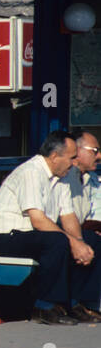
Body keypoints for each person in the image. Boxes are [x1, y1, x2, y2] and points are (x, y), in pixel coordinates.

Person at [0, 130, 99, 326]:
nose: (74, 162)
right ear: (55, 156)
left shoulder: (61, 176)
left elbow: (68, 215)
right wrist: (72, 242)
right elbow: (38, 219)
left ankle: (75, 303)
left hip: (35, 236)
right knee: (59, 241)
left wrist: (81, 243)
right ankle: (45, 305)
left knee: (92, 240)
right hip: (9, 237)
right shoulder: (31, 172)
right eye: (71, 157)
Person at [54, 128, 101, 320]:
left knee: (93, 239)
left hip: (79, 230)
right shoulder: (66, 176)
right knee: (91, 242)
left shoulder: (91, 179)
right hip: (59, 231)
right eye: (94, 150)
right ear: (78, 151)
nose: (99, 155)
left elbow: (94, 211)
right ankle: (84, 302)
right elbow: (61, 215)